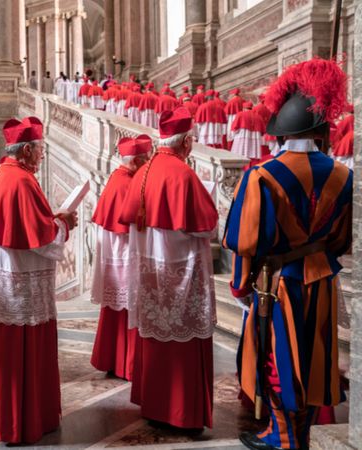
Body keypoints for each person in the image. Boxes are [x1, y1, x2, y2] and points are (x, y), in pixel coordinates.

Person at [223, 58, 352, 450]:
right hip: (323, 281)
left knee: (278, 360)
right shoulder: (345, 176)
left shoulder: (261, 176)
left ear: (281, 133)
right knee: (314, 360)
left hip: (276, 284)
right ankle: (300, 433)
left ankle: (283, 437)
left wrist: (241, 285)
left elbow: (245, 241)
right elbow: (343, 240)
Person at [0, 116, 78, 444]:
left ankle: (1, 415)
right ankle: (21, 419)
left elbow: (30, 223)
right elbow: (42, 236)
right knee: (23, 352)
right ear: (27, 149)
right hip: (21, 285)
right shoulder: (20, 181)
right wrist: (65, 224)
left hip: (10, 278)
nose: (43, 154)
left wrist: (54, 219)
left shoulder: (3, 175)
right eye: (40, 148)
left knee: (6, 350)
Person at [119, 107, 217, 430]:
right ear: (186, 143)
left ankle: (156, 405)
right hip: (180, 277)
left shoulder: (144, 172)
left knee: (157, 342)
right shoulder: (182, 174)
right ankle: (182, 413)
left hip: (150, 276)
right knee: (181, 344)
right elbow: (206, 227)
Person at [90, 135, 152, 381]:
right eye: (145, 160)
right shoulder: (128, 183)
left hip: (117, 253)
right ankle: (128, 365)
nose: (148, 164)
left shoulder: (118, 177)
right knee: (128, 310)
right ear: (135, 161)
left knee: (117, 312)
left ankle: (112, 360)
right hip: (125, 254)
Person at [230, 102, 267, 167]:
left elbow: (234, 128)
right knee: (253, 157)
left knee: (241, 154)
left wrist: (233, 135)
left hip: (242, 138)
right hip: (255, 140)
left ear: (244, 108)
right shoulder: (258, 116)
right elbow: (262, 132)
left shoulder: (240, 114)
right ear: (251, 108)